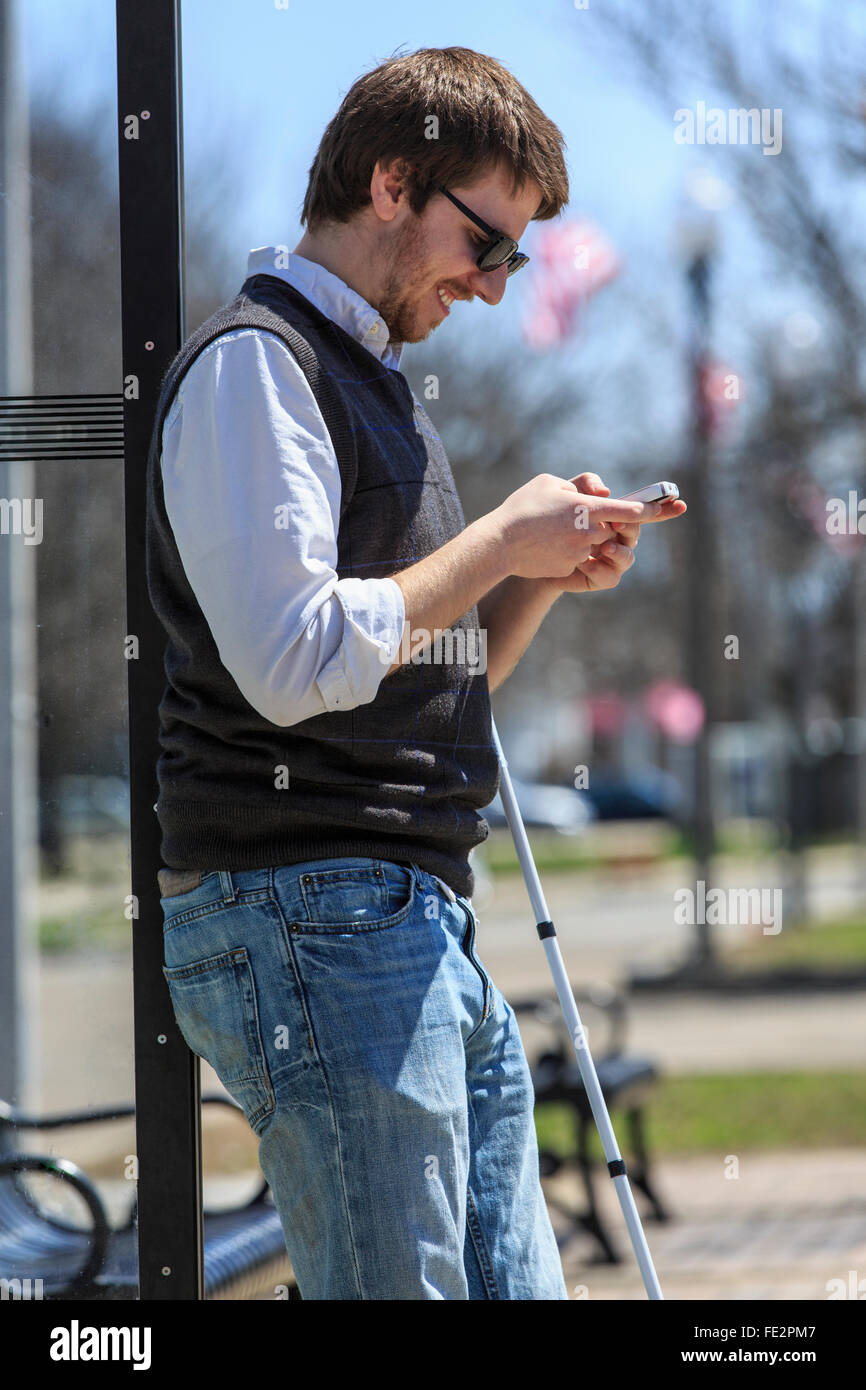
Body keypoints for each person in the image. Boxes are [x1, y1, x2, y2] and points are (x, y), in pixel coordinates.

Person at [146, 45, 686, 1301]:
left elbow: (426, 672)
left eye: (516, 261)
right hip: (309, 911)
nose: (496, 288)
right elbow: (295, 665)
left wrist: (538, 577)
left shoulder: (372, 383)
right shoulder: (253, 367)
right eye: (486, 244)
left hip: (398, 917)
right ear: (391, 181)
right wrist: (501, 537)